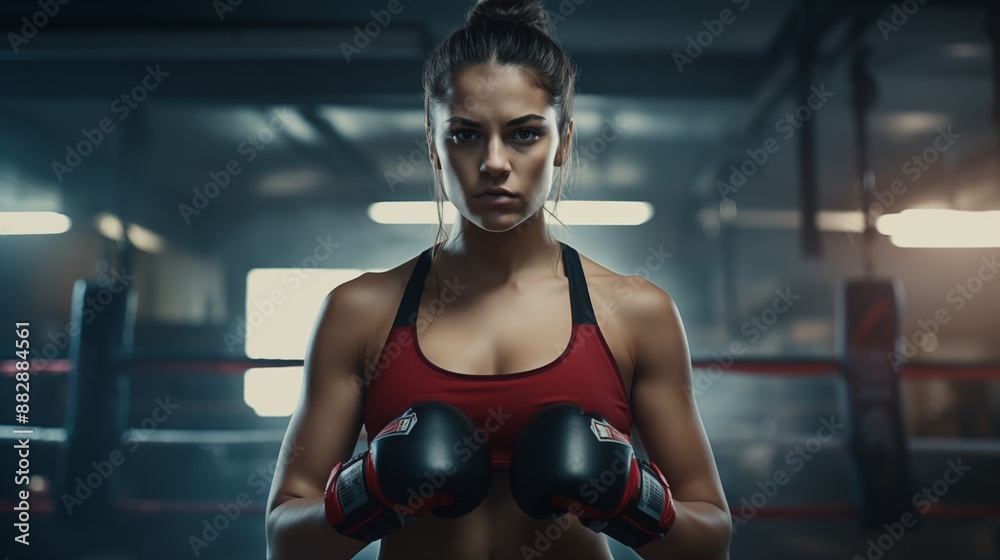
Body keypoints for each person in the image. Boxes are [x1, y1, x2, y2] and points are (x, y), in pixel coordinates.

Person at [265, 1, 732, 558]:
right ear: (432, 144)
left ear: (563, 142)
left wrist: (629, 498)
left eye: (524, 134)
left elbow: (710, 540)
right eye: (464, 134)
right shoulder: (359, 311)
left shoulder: (636, 313)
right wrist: (371, 491)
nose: (493, 162)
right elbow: (284, 541)